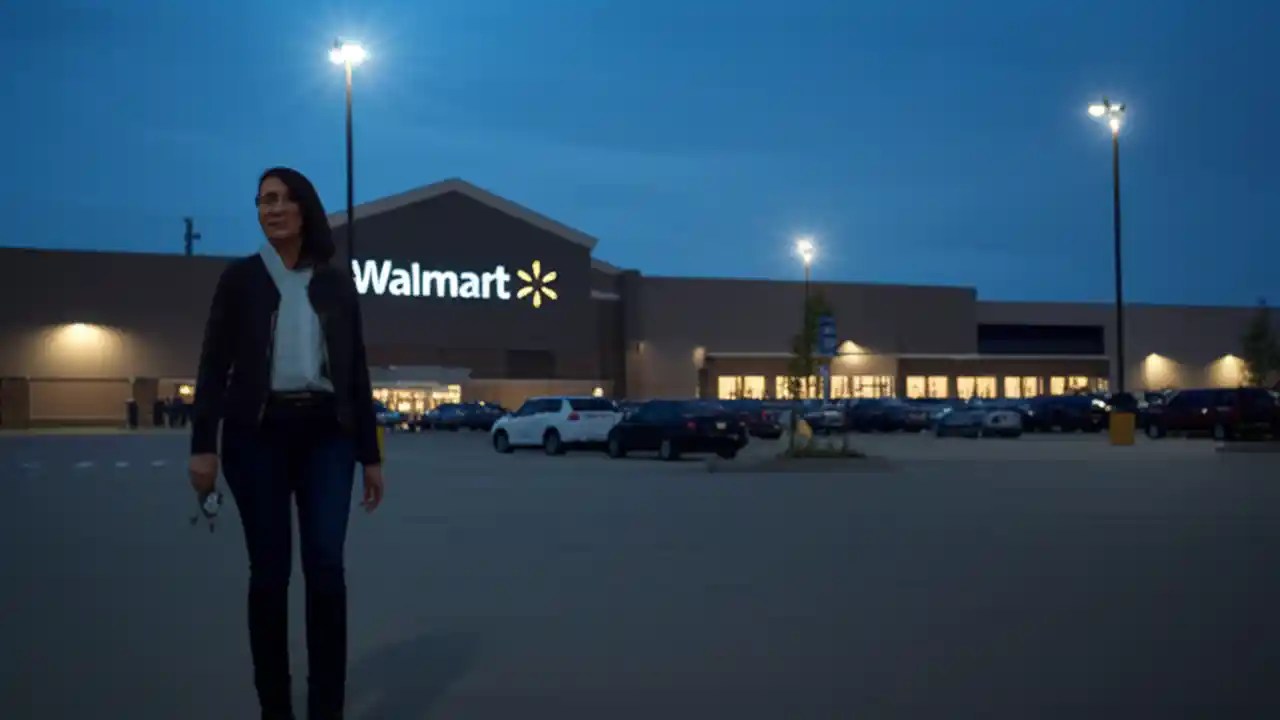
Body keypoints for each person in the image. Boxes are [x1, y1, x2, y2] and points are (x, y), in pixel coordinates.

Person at [188, 166, 385, 720]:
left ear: (304, 208)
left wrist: (370, 455)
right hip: (258, 437)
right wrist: (203, 445)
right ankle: (275, 706)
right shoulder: (241, 279)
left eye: (280, 199)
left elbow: (357, 372)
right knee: (270, 573)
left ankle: (327, 708)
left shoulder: (336, 282)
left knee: (326, 568)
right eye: (261, 201)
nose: (270, 209)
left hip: (328, 436)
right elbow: (211, 367)